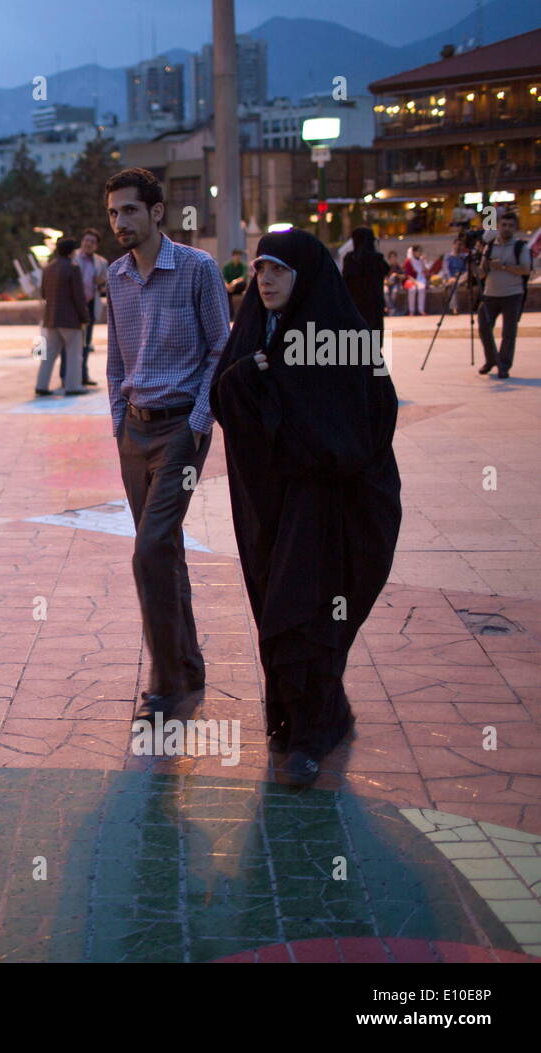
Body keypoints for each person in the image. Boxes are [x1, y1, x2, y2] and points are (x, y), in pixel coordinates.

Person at [210, 228, 401, 786]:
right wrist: (255, 375)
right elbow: (226, 395)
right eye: (260, 270)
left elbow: (368, 421)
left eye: (278, 270)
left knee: (311, 610)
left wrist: (304, 430)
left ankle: (312, 734)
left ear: (305, 275)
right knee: (278, 607)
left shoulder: (344, 337)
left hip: (334, 507)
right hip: (271, 504)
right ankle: (300, 719)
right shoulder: (253, 331)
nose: (265, 281)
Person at [103, 167, 228, 721]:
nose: (120, 222)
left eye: (130, 210)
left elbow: (219, 352)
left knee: (150, 549)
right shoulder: (115, 276)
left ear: (157, 212)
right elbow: (113, 355)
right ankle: (189, 665)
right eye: (112, 213)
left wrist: (199, 423)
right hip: (134, 429)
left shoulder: (198, 269)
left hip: (181, 429)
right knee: (165, 551)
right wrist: (116, 420)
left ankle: (167, 682)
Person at [477, 211, 533, 379]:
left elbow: (525, 269)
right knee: (484, 328)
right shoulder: (490, 246)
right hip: (490, 294)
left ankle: (504, 365)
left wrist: (503, 266)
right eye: (504, 225)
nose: (506, 228)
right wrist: (477, 265)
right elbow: (482, 273)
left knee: (509, 333)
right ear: (498, 226)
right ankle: (492, 360)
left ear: (515, 227)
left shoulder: (520, 247)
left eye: (510, 226)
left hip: (512, 294)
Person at [35, 237, 90, 397]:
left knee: (48, 355)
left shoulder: (48, 268)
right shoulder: (73, 268)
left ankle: (41, 385)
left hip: (51, 318)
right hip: (70, 319)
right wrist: (84, 316)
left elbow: (44, 293)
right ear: (72, 251)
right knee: (74, 353)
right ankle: (73, 386)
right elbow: (78, 296)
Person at [71, 227, 109, 387]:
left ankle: (83, 375)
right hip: (73, 306)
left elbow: (103, 285)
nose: (88, 244)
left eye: (92, 242)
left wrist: (101, 282)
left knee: (86, 343)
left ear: (96, 246)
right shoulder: (72, 258)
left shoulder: (101, 262)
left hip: (90, 306)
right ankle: (68, 376)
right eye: (86, 240)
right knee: (72, 343)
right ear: (82, 242)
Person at [341, 226, 390, 333]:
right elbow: (386, 270)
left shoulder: (350, 259)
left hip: (355, 306)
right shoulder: (376, 259)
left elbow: (345, 281)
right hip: (374, 305)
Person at [443, 237, 467, 315]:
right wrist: (450, 278)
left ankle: (451, 283)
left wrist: (460, 274)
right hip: (452, 279)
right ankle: (454, 308)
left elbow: (467, 269)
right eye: (458, 245)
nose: (459, 247)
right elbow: (446, 269)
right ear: (454, 245)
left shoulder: (465, 256)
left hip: (462, 278)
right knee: (453, 285)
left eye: (461, 245)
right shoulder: (448, 257)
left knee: (467, 274)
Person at [403, 245, 429, 316]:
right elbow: (407, 275)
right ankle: (411, 311)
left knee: (422, 288)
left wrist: (424, 262)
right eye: (418, 251)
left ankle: (421, 310)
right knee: (412, 289)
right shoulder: (408, 261)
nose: (420, 253)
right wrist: (415, 282)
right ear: (413, 252)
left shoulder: (421, 260)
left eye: (421, 251)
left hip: (421, 279)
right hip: (411, 280)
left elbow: (426, 272)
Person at [223, 248, 248, 313]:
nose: (238, 257)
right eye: (236, 255)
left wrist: (234, 282)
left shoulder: (243, 265)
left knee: (242, 283)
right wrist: (227, 285)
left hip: (238, 286)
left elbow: (243, 277)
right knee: (227, 292)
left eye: (239, 255)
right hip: (229, 287)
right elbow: (224, 278)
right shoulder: (227, 266)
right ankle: (230, 313)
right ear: (233, 256)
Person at [383, 250, 404, 316]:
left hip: (396, 284)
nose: (393, 259)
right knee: (385, 292)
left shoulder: (399, 267)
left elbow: (404, 276)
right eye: (391, 257)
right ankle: (392, 309)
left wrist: (396, 275)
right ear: (389, 259)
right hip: (388, 284)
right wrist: (386, 282)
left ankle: (389, 309)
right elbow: (384, 277)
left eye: (394, 257)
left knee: (394, 292)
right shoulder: (387, 267)